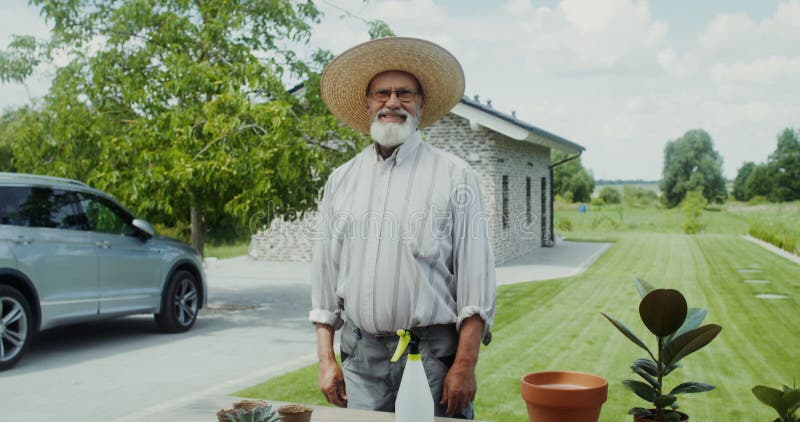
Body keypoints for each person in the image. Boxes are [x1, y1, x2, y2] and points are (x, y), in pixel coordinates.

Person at [309, 37, 496, 419]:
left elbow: (476, 284)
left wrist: (465, 366)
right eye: (382, 93)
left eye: (405, 93)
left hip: (432, 356)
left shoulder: (455, 177)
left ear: (421, 105)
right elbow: (325, 280)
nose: (392, 102)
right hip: (362, 358)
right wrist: (326, 358)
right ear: (367, 103)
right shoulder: (341, 180)